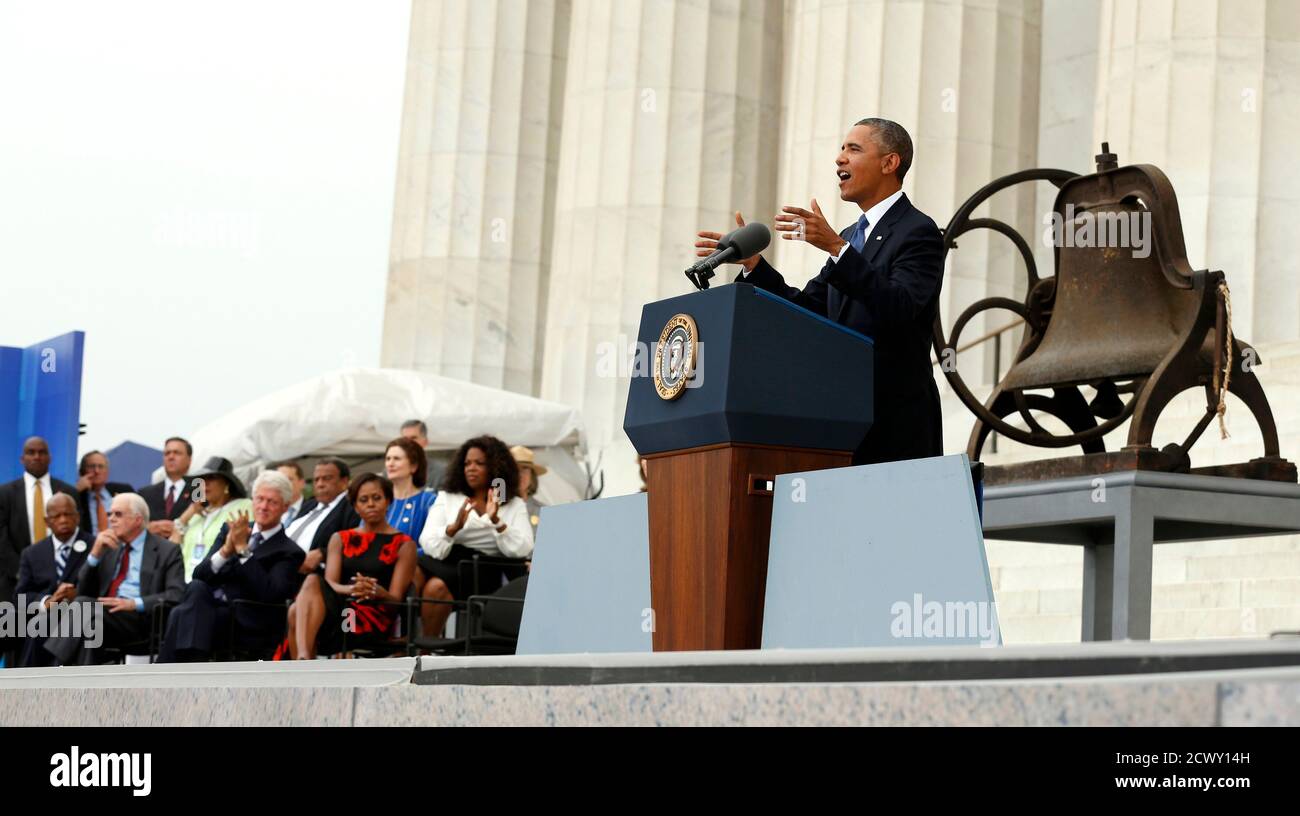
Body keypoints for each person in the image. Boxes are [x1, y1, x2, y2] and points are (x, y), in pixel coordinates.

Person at [695, 117, 944, 465]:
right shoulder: (852, 235)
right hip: (839, 425)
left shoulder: (918, 231)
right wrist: (754, 266)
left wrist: (837, 248)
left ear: (890, 163)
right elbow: (808, 310)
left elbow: (900, 307)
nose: (839, 158)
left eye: (853, 149)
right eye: (841, 149)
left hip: (894, 429)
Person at [157, 471, 305, 662]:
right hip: (212, 611)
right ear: (252, 500)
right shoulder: (232, 529)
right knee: (196, 588)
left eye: (272, 502)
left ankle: (172, 668)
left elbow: (271, 592)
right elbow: (199, 575)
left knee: (180, 614)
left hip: (246, 619)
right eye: (259, 499)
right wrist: (226, 551)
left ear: (285, 507)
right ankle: (192, 658)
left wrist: (243, 550)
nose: (263, 507)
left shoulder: (289, 551)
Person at [285, 473, 416, 659]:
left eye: (377, 498)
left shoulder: (404, 544)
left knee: (295, 611)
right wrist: (353, 589)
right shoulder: (340, 538)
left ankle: (303, 663)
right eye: (364, 500)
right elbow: (331, 582)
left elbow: (396, 599)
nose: (371, 504)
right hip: (341, 611)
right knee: (310, 584)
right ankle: (304, 659)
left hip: (371, 619)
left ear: (388, 501)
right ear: (355, 506)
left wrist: (376, 591)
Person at [43, 493, 184, 665]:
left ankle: (54, 665)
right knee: (91, 624)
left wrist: (133, 603)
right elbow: (83, 590)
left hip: (141, 619)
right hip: (103, 615)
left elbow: (176, 594)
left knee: (83, 607)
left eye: (118, 514)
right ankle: (87, 684)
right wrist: (94, 554)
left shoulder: (166, 550)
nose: (111, 519)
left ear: (138, 520)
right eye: (110, 514)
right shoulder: (109, 547)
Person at [417, 435, 533, 638]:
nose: (471, 468)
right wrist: (453, 528)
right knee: (419, 569)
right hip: (448, 560)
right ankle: (417, 642)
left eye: (479, 463)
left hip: (483, 570)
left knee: (433, 584)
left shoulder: (512, 504)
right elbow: (427, 540)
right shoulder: (448, 497)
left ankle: (422, 645)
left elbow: (523, 547)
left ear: (496, 467)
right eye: (467, 463)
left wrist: (497, 521)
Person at [14, 493, 92, 667]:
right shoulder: (32, 553)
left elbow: (104, 586)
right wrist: (46, 602)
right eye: (57, 516)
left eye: (68, 514)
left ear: (77, 516)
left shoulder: (95, 546)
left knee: (41, 626)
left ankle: (28, 683)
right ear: (47, 521)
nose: (63, 520)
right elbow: (21, 595)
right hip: (43, 611)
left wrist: (77, 594)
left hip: (79, 614)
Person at [0, 437, 77, 611]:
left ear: (49, 457)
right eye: (31, 452)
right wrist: (23, 573)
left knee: (60, 637)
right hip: (14, 584)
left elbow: (79, 535)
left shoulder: (69, 493)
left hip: (62, 585)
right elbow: (1, 541)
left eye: (42, 452)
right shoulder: (4, 494)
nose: (37, 457)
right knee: (15, 635)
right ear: (22, 459)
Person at [169, 457, 251, 581]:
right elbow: (171, 550)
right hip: (182, 584)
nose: (204, 483)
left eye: (211, 478)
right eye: (202, 479)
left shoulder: (244, 505)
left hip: (216, 582)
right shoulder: (196, 514)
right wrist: (187, 514)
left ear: (227, 483)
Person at [284, 458, 361, 575]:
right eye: (316, 480)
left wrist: (323, 553)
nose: (320, 484)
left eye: (327, 478)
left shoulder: (351, 507)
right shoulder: (310, 504)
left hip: (310, 575)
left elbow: (354, 543)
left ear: (344, 482)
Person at [138, 437, 194, 538]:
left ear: (189, 460)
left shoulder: (200, 489)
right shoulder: (145, 493)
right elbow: (134, 524)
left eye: (177, 453)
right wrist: (148, 527)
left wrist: (178, 527)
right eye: (167, 453)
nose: (171, 457)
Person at [384, 437, 436, 541]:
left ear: (414, 466)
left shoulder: (428, 501)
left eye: (397, 459)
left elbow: (433, 545)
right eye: (388, 459)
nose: (390, 464)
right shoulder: (379, 500)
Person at [75, 450, 134, 539]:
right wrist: (76, 491)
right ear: (81, 472)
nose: (97, 471)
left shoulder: (124, 491)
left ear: (107, 471)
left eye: (101, 466)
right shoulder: (77, 497)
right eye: (92, 466)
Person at [509, 445, 547, 536]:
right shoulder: (497, 509)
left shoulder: (544, 510)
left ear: (532, 476)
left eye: (525, 469)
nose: (520, 475)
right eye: (515, 470)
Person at [270, 460, 307, 529]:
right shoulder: (270, 511)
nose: (284, 484)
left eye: (289, 479)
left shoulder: (312, 510)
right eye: (280, 480)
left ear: (302, 483)